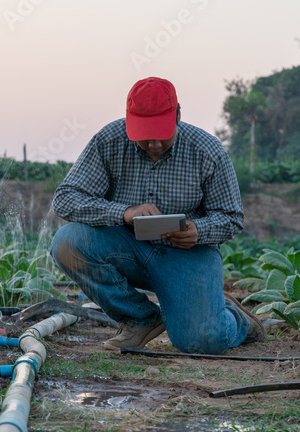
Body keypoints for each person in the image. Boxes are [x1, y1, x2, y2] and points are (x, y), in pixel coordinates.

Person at [50, 76, 264, 354]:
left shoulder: (207, 151)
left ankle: (236, 319)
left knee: (201, 343)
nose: (152, 144)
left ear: (177, 116)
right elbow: (65, 199)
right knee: (67, 243)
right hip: (128, 248)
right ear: (129, 121)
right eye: (143, 135)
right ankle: (139, 319)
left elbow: (231, 217)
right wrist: (124, 212)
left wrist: (197, 231)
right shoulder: (108, 141)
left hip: (188, 255)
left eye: (160, 134)